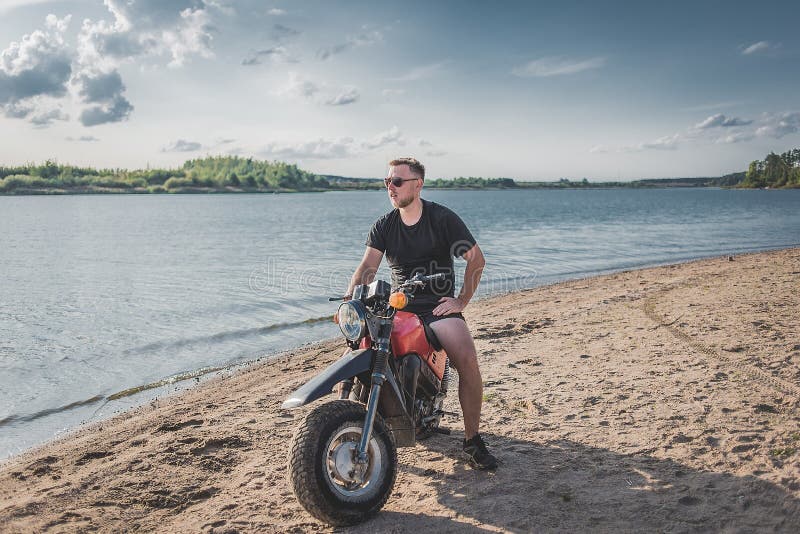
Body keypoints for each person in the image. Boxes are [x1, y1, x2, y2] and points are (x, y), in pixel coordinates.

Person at [345, 157, 497, 470]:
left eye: (397, 181)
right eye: (387, 181)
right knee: (360, 348)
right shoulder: (385, 225)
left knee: (467, 359)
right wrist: (350, 300)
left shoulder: (442, 219)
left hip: (437, 307)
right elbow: (367, 268)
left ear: (418, 184)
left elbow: (476, 260)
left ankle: (472, 440)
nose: (391, 187)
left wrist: (461, 301)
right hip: (398, 306)